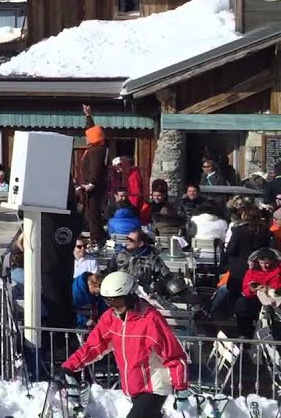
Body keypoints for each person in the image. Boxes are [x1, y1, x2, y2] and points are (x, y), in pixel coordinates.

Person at [62, 271, 189, 418]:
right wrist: (70, 366)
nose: (114, 306)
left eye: (118, 301)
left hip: (154, 387)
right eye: (109, 301)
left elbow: (174, 355)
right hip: (133, 387)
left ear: (130, 295)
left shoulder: (149, 319)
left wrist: (181, 389)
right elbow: (93, 346)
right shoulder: (111, 318)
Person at [76, 105, 108, 247]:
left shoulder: (97, 151)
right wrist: (88, 116)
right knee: (88, 212)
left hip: (92, 187)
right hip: (89, 186)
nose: (86, 138)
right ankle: (92, 236)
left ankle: (97, 239)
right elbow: (93, 131)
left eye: (88, 137)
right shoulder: (97, 147)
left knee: (93, 213)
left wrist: (91, 184)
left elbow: (96, 169)